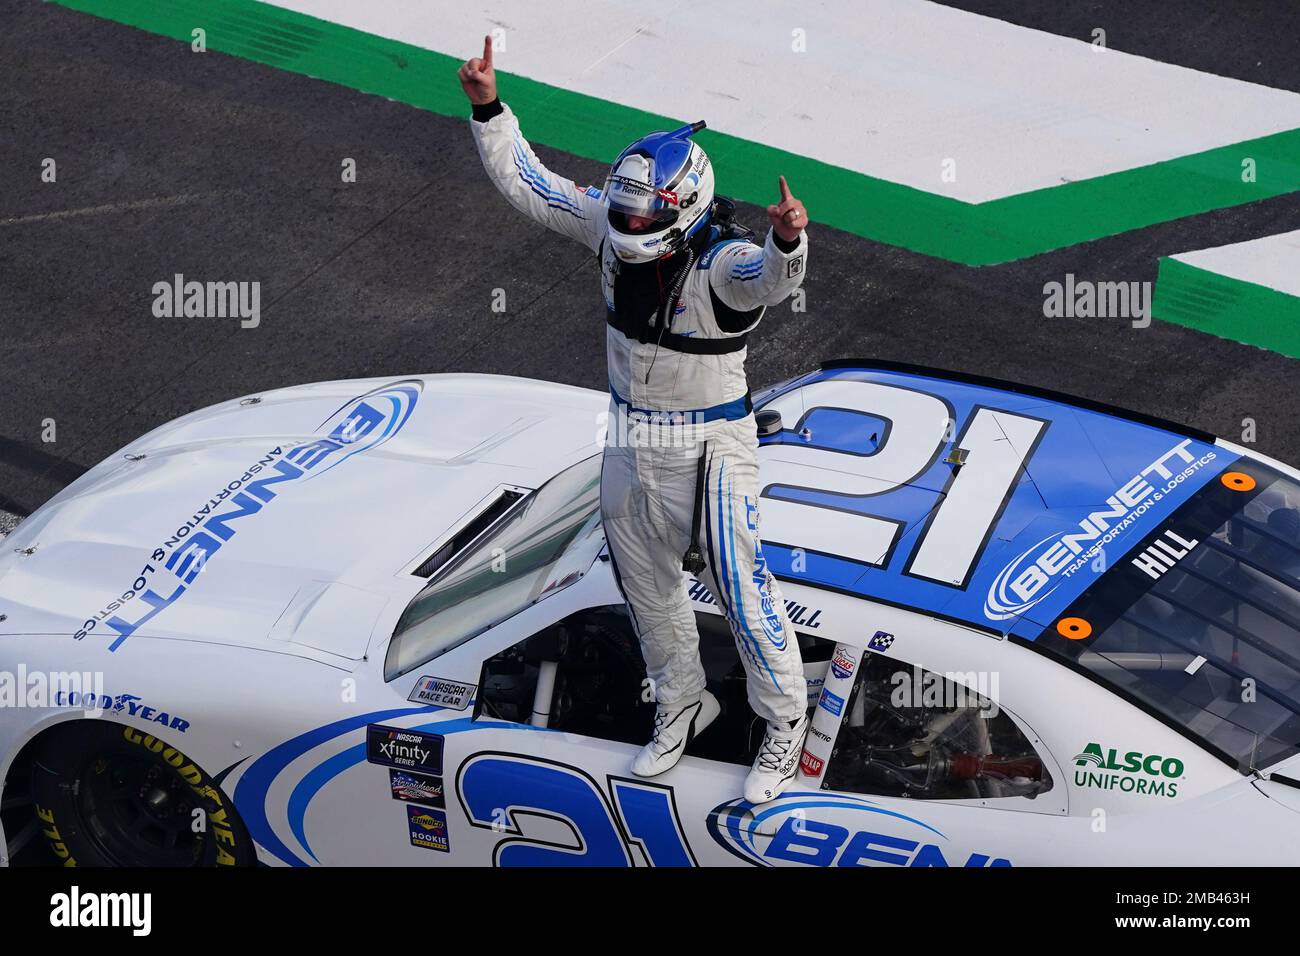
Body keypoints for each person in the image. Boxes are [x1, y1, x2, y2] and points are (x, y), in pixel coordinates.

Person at [458, 36, 810, 803]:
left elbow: (771, 282)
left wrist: (789, 240)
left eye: (644, 214)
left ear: (685, 208)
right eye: (624, 210)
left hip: (713, 446)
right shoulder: (610, 234)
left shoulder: (725, 264)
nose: (627, 223)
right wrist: (488, 106)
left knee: (744, 591)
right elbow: (531, 184)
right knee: (646, 589)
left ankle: (785, 725)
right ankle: (681, 702)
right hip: (629, 438)